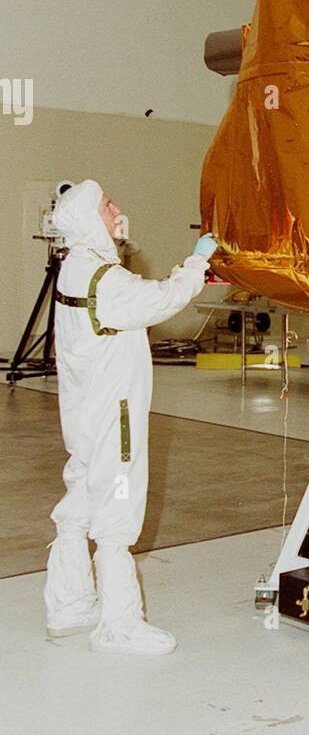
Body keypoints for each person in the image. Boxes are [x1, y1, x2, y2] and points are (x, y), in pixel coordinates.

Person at [44, 179, 218, 655]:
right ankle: (120, 626)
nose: (117, 209)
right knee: (118, 510)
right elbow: (164, 298)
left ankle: (68, 603)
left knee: (81, 496)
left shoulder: (75, 269)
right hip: (114, 413)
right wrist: (198, 261)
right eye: (106, 205)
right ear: (86, 220)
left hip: (83, 413)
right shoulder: (106, 281)